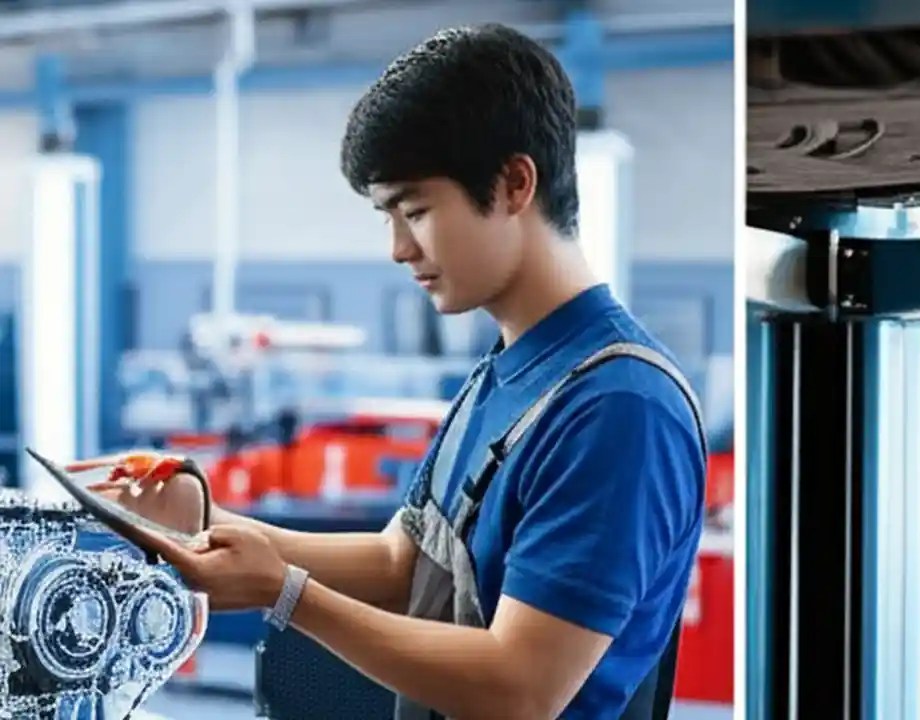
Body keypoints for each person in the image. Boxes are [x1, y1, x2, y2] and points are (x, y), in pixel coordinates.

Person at [75, 23, 707, 720]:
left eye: (415, 210)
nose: (398, 248)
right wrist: (201, 523)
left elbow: (520, 688)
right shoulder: (504, 373)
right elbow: (403, 565)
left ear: (514, 184)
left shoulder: (618, 407)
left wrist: (284, 592)